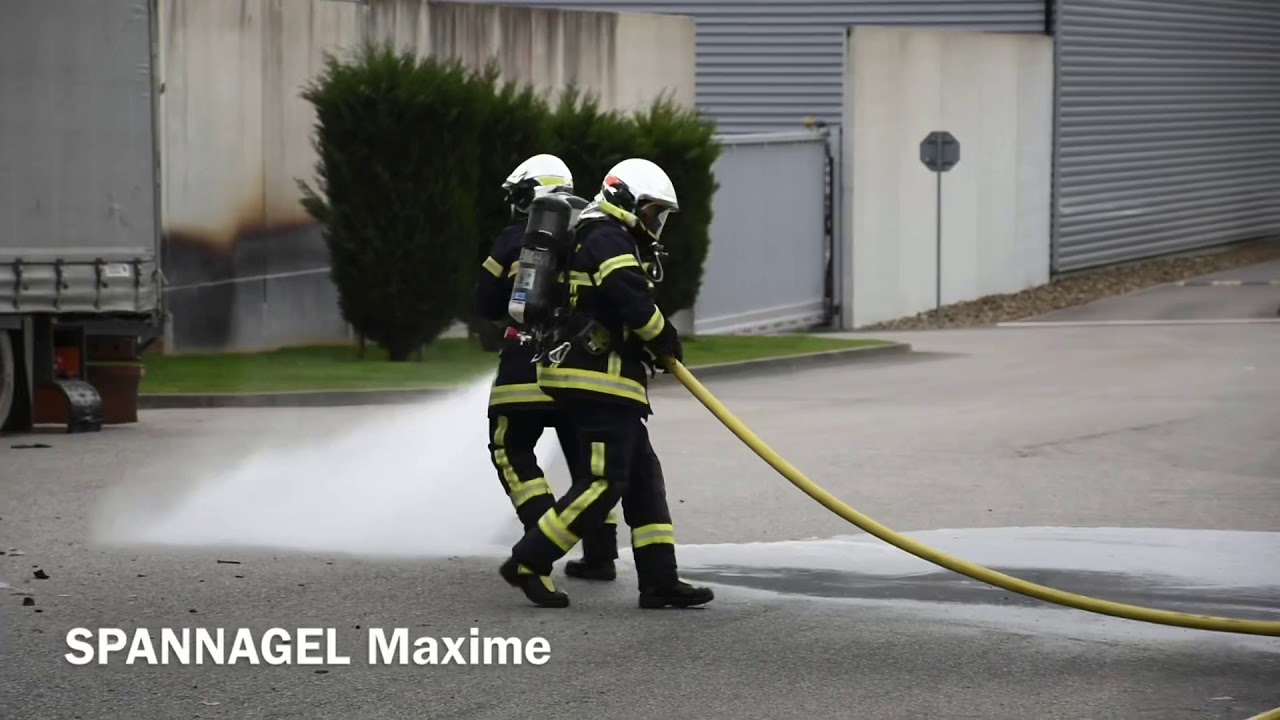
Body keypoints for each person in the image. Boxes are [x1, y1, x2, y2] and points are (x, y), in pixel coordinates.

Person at [498, 158, 715, 610]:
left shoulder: (604, 234)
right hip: (596, 382)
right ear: (623, 199)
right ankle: (529, 559)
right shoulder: (604, 235)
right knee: (602, 482)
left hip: (615, 384)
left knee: (643, 483)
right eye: (652, 211)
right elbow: (628, 297)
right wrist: (665, 340)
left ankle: (659, 581)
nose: (655, 223)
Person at [475, 154, 621, 595]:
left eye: (520, 197)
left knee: (511, 447)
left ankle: (542, 540)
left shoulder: (512, 238)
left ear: (534, 194)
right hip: (577, 371)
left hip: (523, 367)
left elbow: (484, 302)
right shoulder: (589, 237)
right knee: (589, 463)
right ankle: (600, 556)